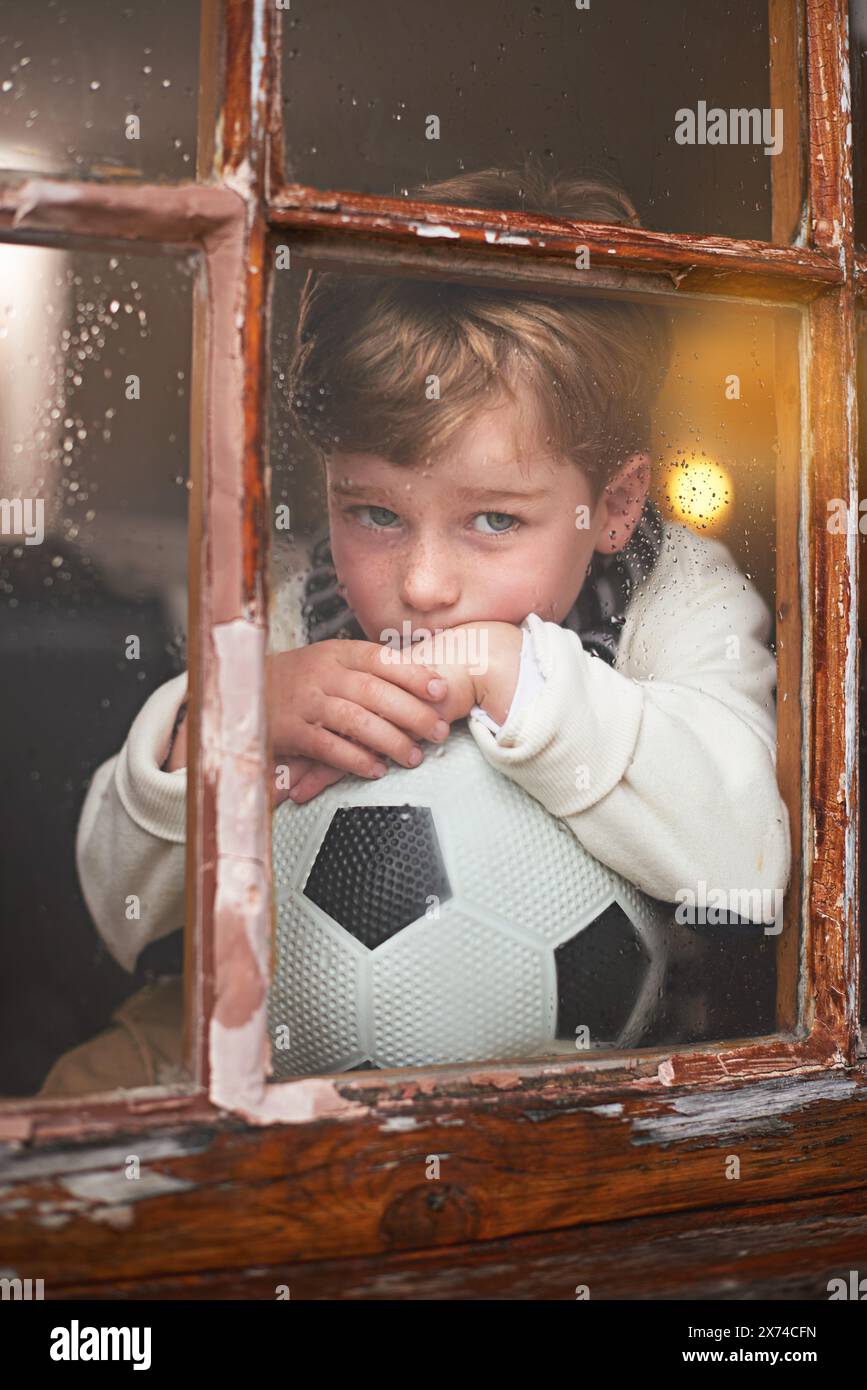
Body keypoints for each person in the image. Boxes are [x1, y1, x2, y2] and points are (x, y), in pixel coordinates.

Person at [41, 162, 790, 1095]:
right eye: (375, 515)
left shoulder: (675, 596)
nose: (423, 586)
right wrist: (228, 720)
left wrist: (520, 675)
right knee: (81, 1104)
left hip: (601, 1065)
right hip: (273, 1028)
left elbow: (750, 858)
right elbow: (119, 908)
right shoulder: (284, 601)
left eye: (494, 521)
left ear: (617, 502)